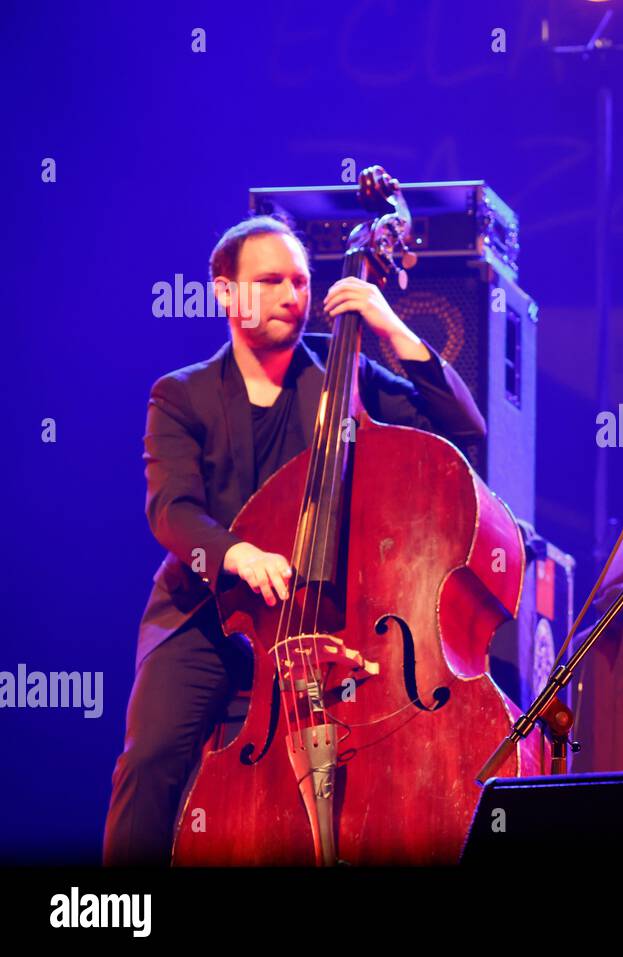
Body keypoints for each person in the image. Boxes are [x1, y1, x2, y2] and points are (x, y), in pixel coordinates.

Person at [103, 215, 485, 866]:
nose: (291, 294)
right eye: (270, 280)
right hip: (205, 613)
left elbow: (465, 428)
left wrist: (390, 324)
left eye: (301, 281)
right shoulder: (181, 395)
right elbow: (172, 510)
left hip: (324, 618)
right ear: (224, 292)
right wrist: (236, 552)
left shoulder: (346, 385)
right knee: (152, 756)